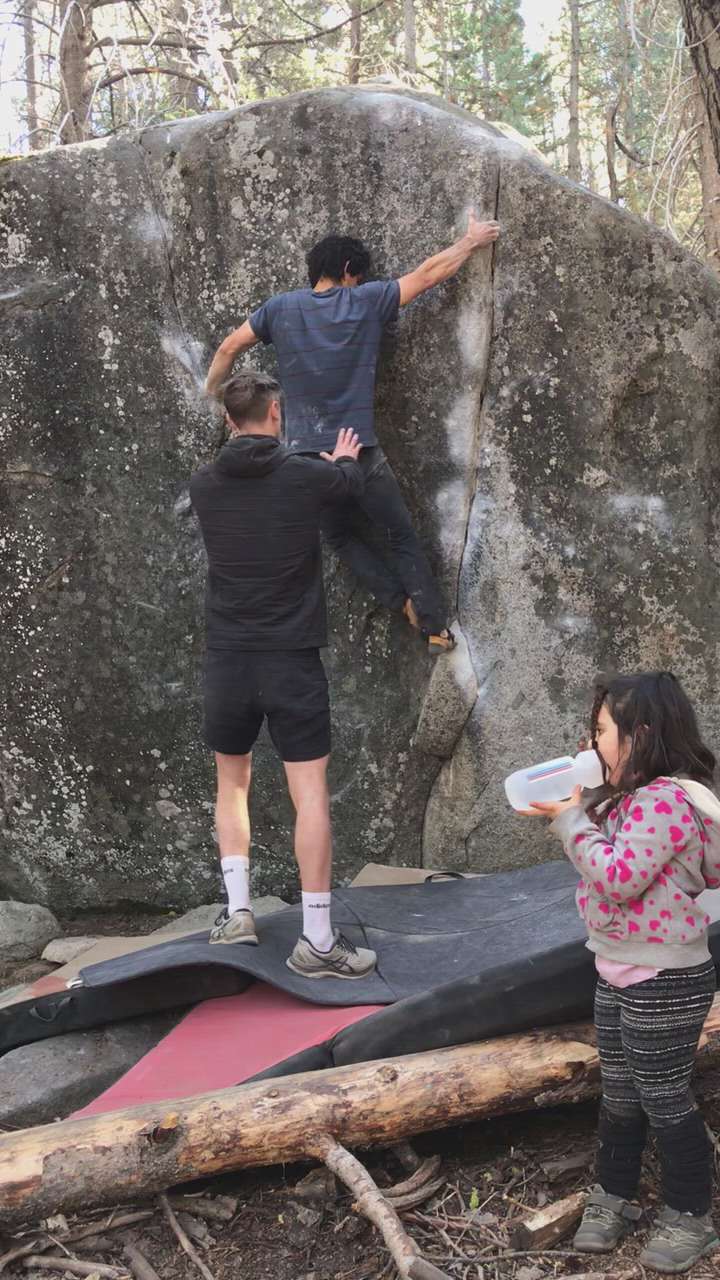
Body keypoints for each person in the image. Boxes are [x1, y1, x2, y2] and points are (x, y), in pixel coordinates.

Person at [205, 213, 500, 655]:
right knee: (399, 534)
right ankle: (435, 627)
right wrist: (471, 241)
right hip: (358, 451)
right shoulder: (364, 300)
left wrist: (213, 394)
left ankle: (398, 601)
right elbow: (428, 275)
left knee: (340, 536)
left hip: (304, 461)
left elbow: (229, 347)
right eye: (357, 276)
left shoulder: (279, 309)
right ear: (348, 272)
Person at [522, 672, 719, 1274]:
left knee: (662, 1094)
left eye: (600, 730)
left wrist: (570, 821)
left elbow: (620, 874)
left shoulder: (665, 799)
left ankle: (692, 1215)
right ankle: (614, 1196)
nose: (591, 743)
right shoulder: (630, 798)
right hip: (617, 967)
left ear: (640, 734)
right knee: (623, 1091)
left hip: (666, 975)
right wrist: (581, 811)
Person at [189, 369, 377, 979]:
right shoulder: (305, 475)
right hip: (291, 659)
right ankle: (318, 940)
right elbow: (347, 483)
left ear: (227, 420)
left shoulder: (204, 484)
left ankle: (238, 912)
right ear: (277, 415)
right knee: (310, 794)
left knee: (231, 784)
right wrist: (346, 458)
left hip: (228, 659)